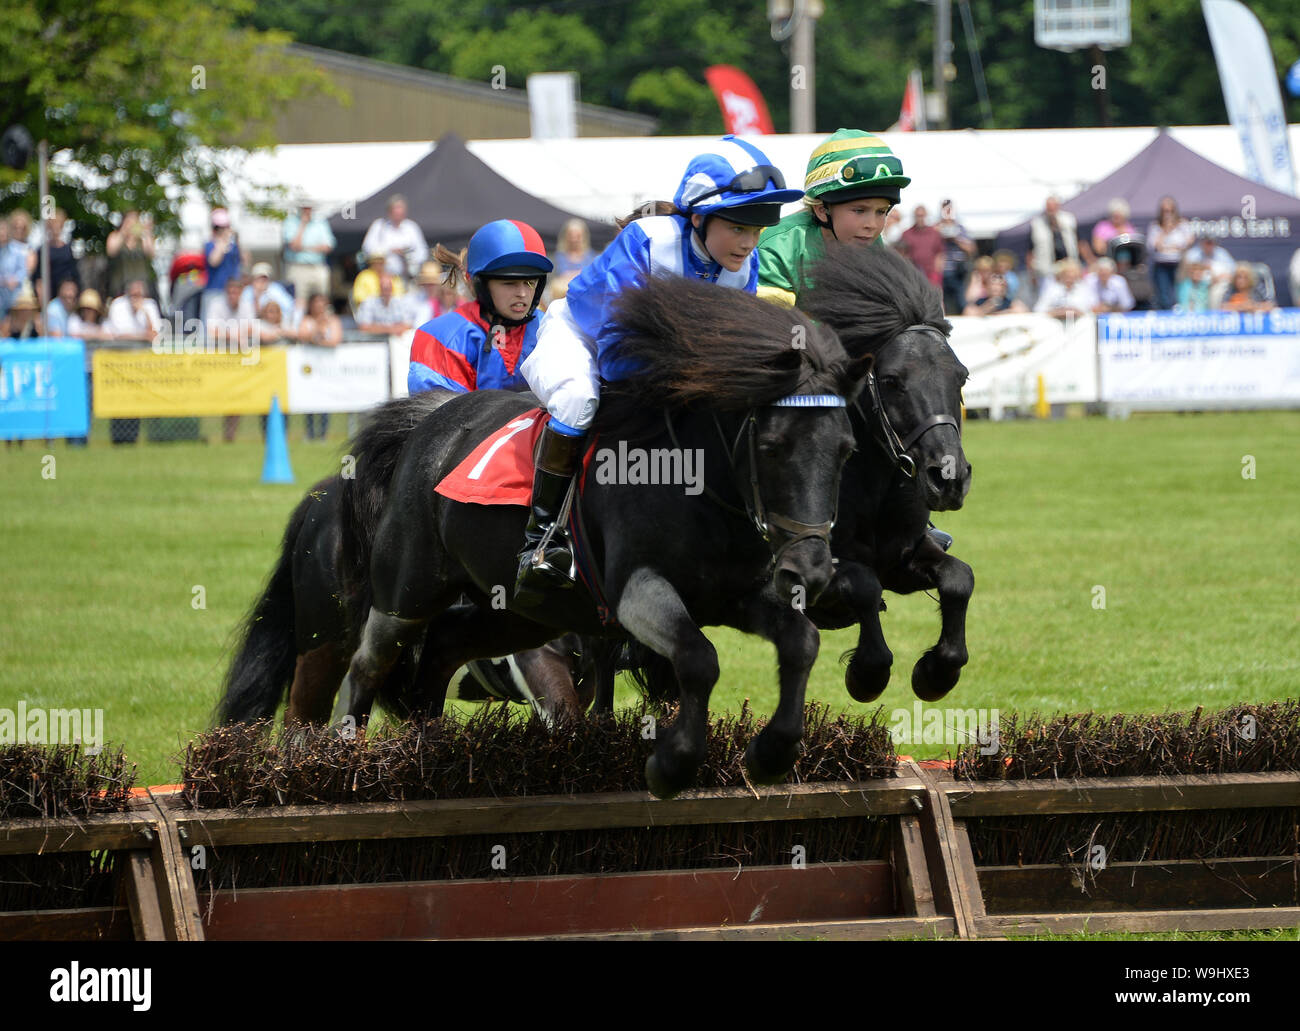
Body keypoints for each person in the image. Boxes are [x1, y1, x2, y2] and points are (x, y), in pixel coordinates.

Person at [515, 135, 803, 602]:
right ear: (698, 216)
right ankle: (542, 540)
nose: (749, 243)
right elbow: (613, 348)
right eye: (738, 227)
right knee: (577, 400)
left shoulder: (743, 271)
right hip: (581, 337)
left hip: (656, 362)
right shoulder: (647, 241)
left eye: (757, 229)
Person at [757, 128, 909, 307]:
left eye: (881, 212)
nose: (872, 225)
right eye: (860, 210)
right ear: (822, 210)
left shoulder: (868, 243)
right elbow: (768, 327)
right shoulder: (777, 247)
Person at [408, 220, 552, 395]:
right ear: (479, 284)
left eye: (530, 282)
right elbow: (448, 420)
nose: (522, 293)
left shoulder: (551, 330)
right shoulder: (439, 340)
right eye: (509, 283)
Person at [298, 292, 343, 441]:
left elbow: (335, 340)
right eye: (316, 303)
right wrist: (318, 327)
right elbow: (304, 335)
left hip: (327, 367)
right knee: (309, 398)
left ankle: (323, 433)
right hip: (309, 365)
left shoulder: (333, 320)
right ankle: (309, 432)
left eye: (322, 302)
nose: (319, 306)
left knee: (325, 398)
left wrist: (318, 342)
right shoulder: (307, 320)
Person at [66, 290, 107, 447]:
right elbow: (74, 335)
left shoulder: (102, 323)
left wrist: (91, 334)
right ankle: (75, 441)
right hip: (76, 370)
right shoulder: (74, 320)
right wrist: (95, 335)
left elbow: (108, 335)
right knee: (76, 405)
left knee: (88, 407)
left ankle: (83, 440)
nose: (88, 312)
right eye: (86, 308)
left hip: (95, 371)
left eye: (91, 309)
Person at [282, 201, 335, 316]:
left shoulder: (321, 222)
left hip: (318, 266)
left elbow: (328, 246)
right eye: (304, 207)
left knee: (322, 300)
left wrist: (305, 248)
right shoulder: (290, 222)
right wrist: (303, 224)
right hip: (298, 267)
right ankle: (299, 328)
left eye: (309, 207)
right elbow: (294, 245)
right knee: (299, 301)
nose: (307, 210)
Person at [360, 194, 428, 281]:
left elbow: (422, 252)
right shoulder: (379, 226)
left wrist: (409, 256)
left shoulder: (412, 228)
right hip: (382, 278)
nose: (398, 214)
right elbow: (367, 249)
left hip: (407, 277)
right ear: (389, 212)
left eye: (401, 211)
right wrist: (390, 250)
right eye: (396, 211)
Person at [1146, 196, 1192, 310]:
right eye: (1164, 211)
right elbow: (1153, 246)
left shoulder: (1182, 225)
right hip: (1162, 265)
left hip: (1179, 264)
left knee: (1180, 293)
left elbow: (1187, 242)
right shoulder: (1155, 226)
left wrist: (1173, 246)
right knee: (1164, 295)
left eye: (1170, 210)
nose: (1167, 214)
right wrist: (1165, 231)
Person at [1028, 195, 1083, 285]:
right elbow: (1030, 250)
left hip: (1068, 265)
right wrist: (1032, 274)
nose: (1051, 211)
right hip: (1047, 268)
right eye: (1049, 208)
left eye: (1053, 207)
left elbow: (1080, 242)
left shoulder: (1069, 220)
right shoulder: (1037, 224)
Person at [106, 211, 157, 301]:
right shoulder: (115, 236)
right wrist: (123, 232)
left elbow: (151, 254)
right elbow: (111, 251)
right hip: (120, 287)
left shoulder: (142, 240)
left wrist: (147, 232)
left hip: (141, 288)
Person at [936, 199, 976, 314]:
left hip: (958, 271)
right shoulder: (935, 228)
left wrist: (955, 238)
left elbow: (971, 248)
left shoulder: (960, 228)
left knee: (961, 301)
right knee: (942, 302)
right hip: (941, 272)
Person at [202, 207, 242, 321]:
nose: (223, 230)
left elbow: (243, 260)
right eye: (219, 228)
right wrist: (222, 242)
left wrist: (237, 240)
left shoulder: (233, 246)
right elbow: (214, 261)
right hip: (214, 291)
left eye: (226, 227)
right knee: (210, 330)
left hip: (232, 293)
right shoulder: (210, 245)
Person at [898, 204, 944, 290]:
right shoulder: (906, 234)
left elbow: (940, 253)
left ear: (926, 216)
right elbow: (902, 254)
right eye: (918, 216)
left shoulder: (934, 233)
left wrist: (937, 272)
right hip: (914, 274)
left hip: (931, 274)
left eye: (922, 215)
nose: (920, 218)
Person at [239, 263, 295, 328]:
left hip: (275, 325)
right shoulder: (247, 291)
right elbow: (245, 313)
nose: (261, 282)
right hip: (253, 326)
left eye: (264, 279)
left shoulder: (276, 289)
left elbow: (289, 307)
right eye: (258, 278)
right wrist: (257, 297)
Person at [0, 216, 29, 320]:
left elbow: (24, 270)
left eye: (4, 230)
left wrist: (15, 280)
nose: (2, 233)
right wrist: (4, 281)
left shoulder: (18, 250)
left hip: (16, 297)